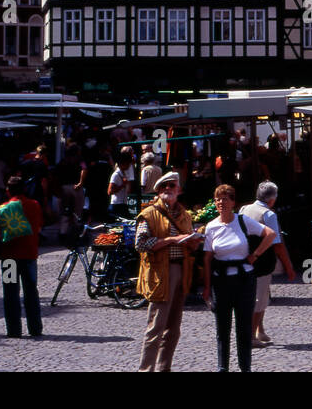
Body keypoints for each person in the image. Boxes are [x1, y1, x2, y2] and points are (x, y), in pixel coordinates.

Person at [201, 184, 274, 372]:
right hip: (221, 282)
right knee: (222, 329)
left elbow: (270, 234)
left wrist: (255, 255)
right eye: (218, 199)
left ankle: (245, 368)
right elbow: (208, 259)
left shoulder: (243, 221)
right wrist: (207, 287)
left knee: (244, 328)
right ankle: (222, 368)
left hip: (244, 280)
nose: (221, 202)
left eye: (225, 198)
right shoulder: (211, 227)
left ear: (233, 202)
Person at [136, 172, 203, 371]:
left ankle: (164, 368)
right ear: (157, 191)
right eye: (164, 186)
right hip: (160, 273)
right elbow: (140, 244)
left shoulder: (185, 215)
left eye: (172, 185)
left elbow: (191, 246)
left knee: (174, 329)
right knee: (156, 326)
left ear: (178, 190)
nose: (168, 189)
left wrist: (193, 242)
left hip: (181, 271)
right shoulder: (148, 214)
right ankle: (145, 369)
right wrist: (172, 240)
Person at [241, 181, 298, 347]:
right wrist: (289, 266)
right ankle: (251, 336)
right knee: (260, 297)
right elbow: (277, 244)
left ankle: (260, 330)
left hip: (246, 256)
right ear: (272, 199)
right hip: (262, 259)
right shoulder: (269, 215)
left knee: (262, 294)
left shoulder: (245, 209)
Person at [0, 175, 43, 339]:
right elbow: (38, 226)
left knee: (10, 293)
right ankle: (35, 328)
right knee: (31, 292)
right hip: (29, 255)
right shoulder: (34, 205)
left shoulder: (4, 207)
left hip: (9, 257)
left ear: (8, 191)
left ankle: (14, 330)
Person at [109, 150, 134, 219]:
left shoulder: (124, 174)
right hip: (116, 205)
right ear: (123, 164)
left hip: (123, 204)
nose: (129, 166)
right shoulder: (115, 175)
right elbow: (110, 191)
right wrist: (123, 185)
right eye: (128, 164)